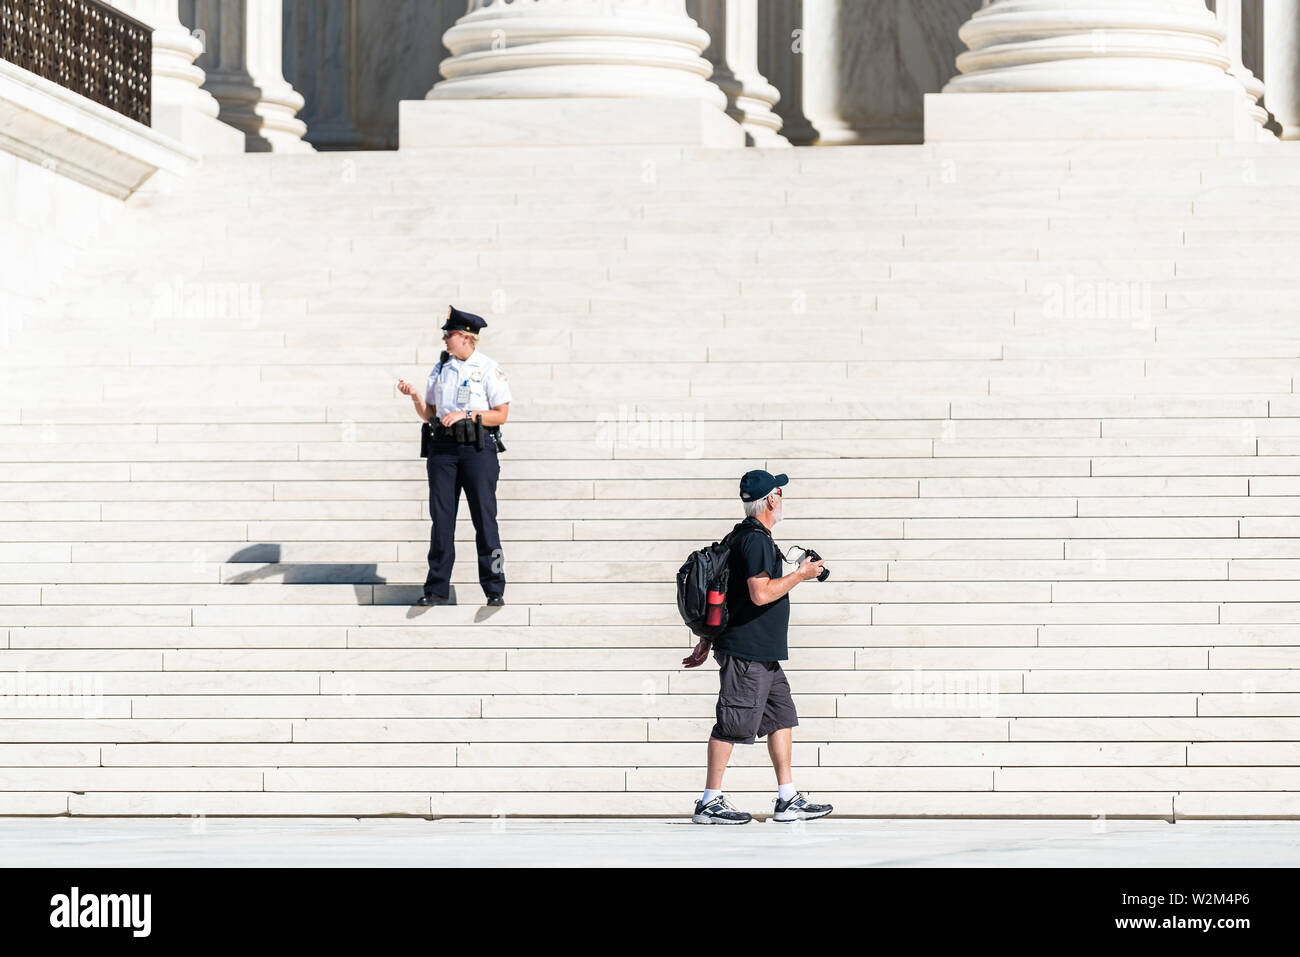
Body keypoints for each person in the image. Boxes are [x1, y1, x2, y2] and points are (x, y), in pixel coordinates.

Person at [681, 469, 833, 824]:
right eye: (780, 493)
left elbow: (729, 595)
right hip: (747, 652)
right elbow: (759, 593)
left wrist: (706, 639)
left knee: (781, 718)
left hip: (763, 653)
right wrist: (801, 575)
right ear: (771, 500)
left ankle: (787, 798)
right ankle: (709, 801)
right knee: (732, 723)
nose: (782, 499)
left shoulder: (743, 537)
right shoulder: (756, 541)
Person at [397, 305, 511, 607]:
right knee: (442, 520)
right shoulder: (441, 368)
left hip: (476, 449)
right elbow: (430, 414)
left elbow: (501, 415)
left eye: (448, 335)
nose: (444, 340)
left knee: (485, 520)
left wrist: (468, 413)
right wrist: (415, 397)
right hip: (443, 450)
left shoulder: (487, 367)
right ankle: (436, 587)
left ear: (465, 337)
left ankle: (494, 587)